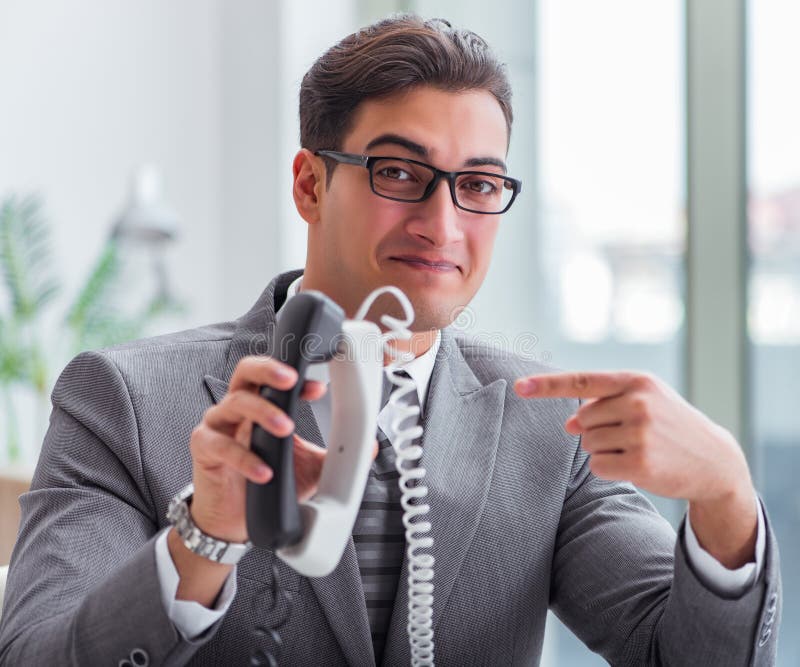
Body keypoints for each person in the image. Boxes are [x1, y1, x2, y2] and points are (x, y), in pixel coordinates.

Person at [0, 14, 781, 667]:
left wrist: (725, 498)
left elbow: (684, 653)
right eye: (400, 173)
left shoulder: (550, 427)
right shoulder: (124, 399)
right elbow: (38, 653)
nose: (442, 225)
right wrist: (204, 539)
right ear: (310, 184)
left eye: (477, 185)